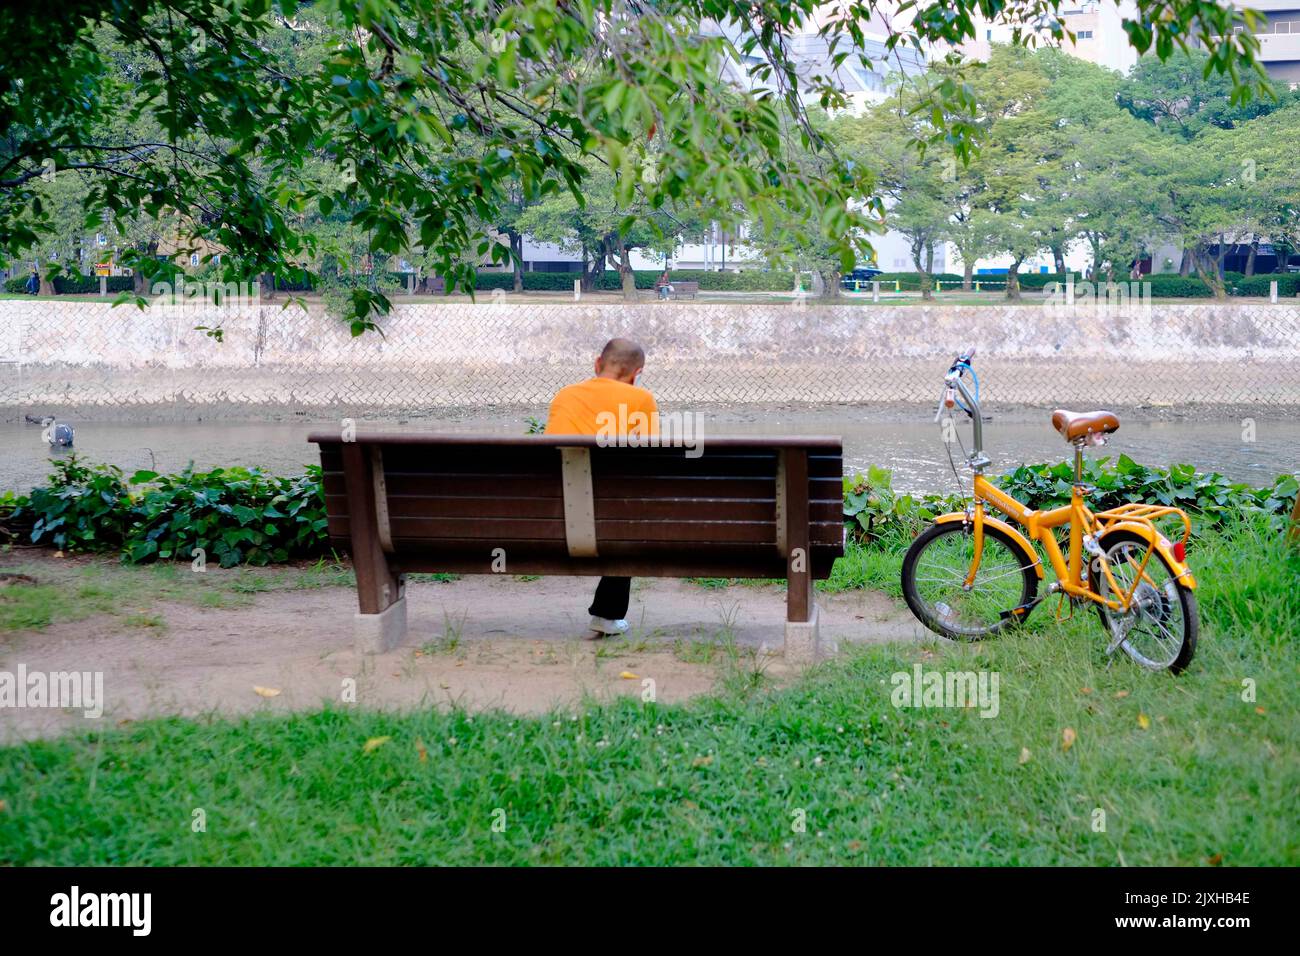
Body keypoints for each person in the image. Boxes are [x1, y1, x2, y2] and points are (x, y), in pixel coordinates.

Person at [545, 337, 658, 638]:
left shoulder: (565, 396)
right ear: (636, 374)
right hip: (614, 515)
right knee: (627, 513)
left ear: (597, 364)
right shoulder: (641, 400)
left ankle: (607, 613)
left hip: (555, 512)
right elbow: (648, 461)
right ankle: (607, 614)